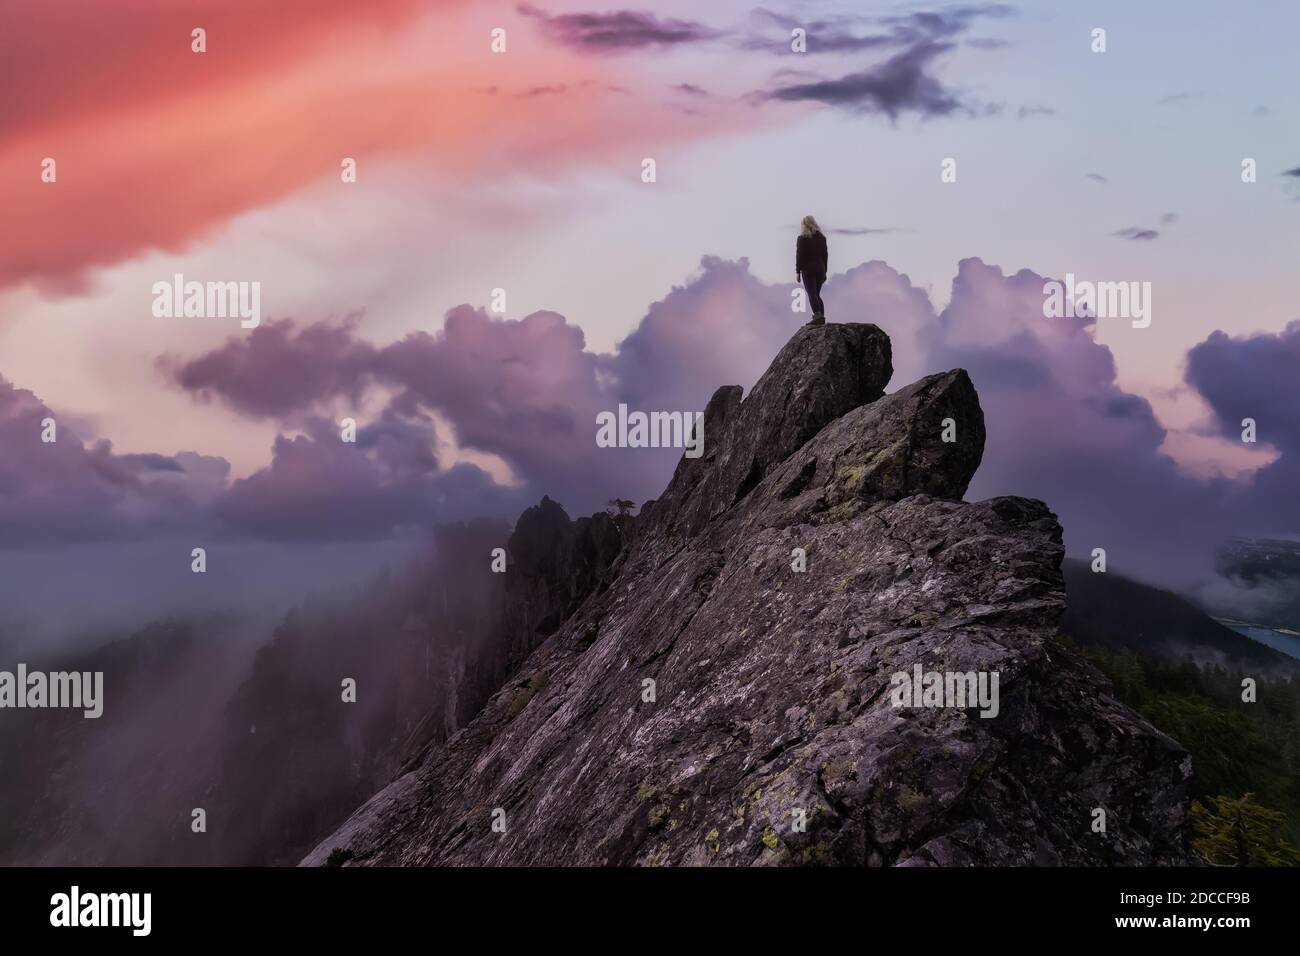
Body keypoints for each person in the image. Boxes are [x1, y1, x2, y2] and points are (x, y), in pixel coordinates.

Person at [795, 215, 828, 325]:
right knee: (817, 294)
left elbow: (799, 256)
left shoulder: (802, 238)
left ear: (804, 225)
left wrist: (798, 271)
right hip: (820, 268)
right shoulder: (822, 238)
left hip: (808, 269)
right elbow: (825, 255)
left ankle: (817, 316)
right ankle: (821, 316)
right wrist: (825, 271)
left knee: (812, 293)